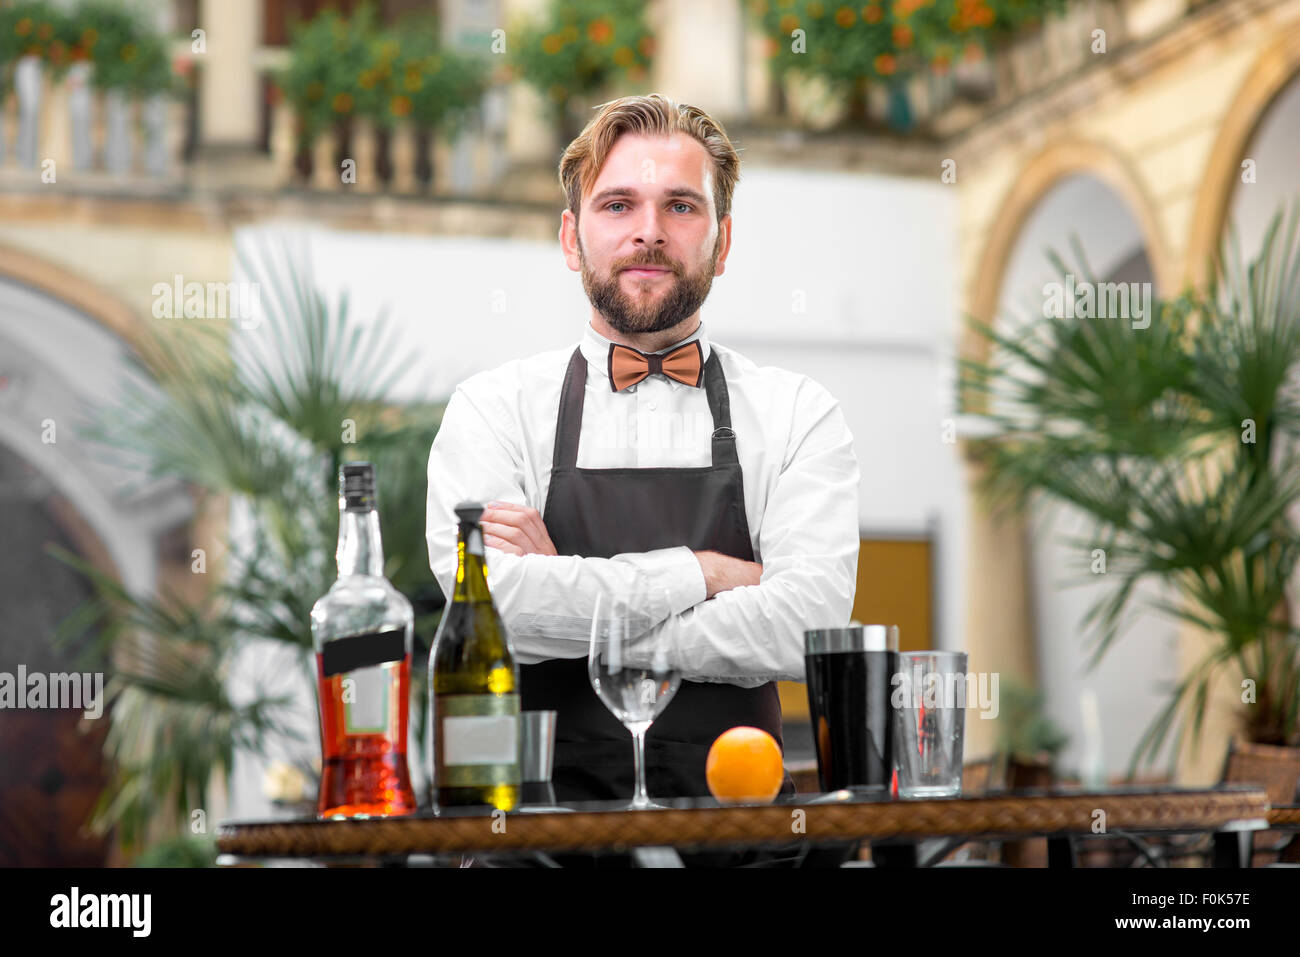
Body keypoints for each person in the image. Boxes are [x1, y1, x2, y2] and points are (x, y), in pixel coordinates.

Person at [425, 93, 860, 831]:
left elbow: (803, 629)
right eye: (618, 205)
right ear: (571, 238)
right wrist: (706, 572)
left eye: (682, 207)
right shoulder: (491, 409)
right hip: (535, 833)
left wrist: (576, 616)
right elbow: (494, 608)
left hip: (741, 835)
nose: (649, 233)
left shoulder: (798, 413)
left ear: (723, 244)